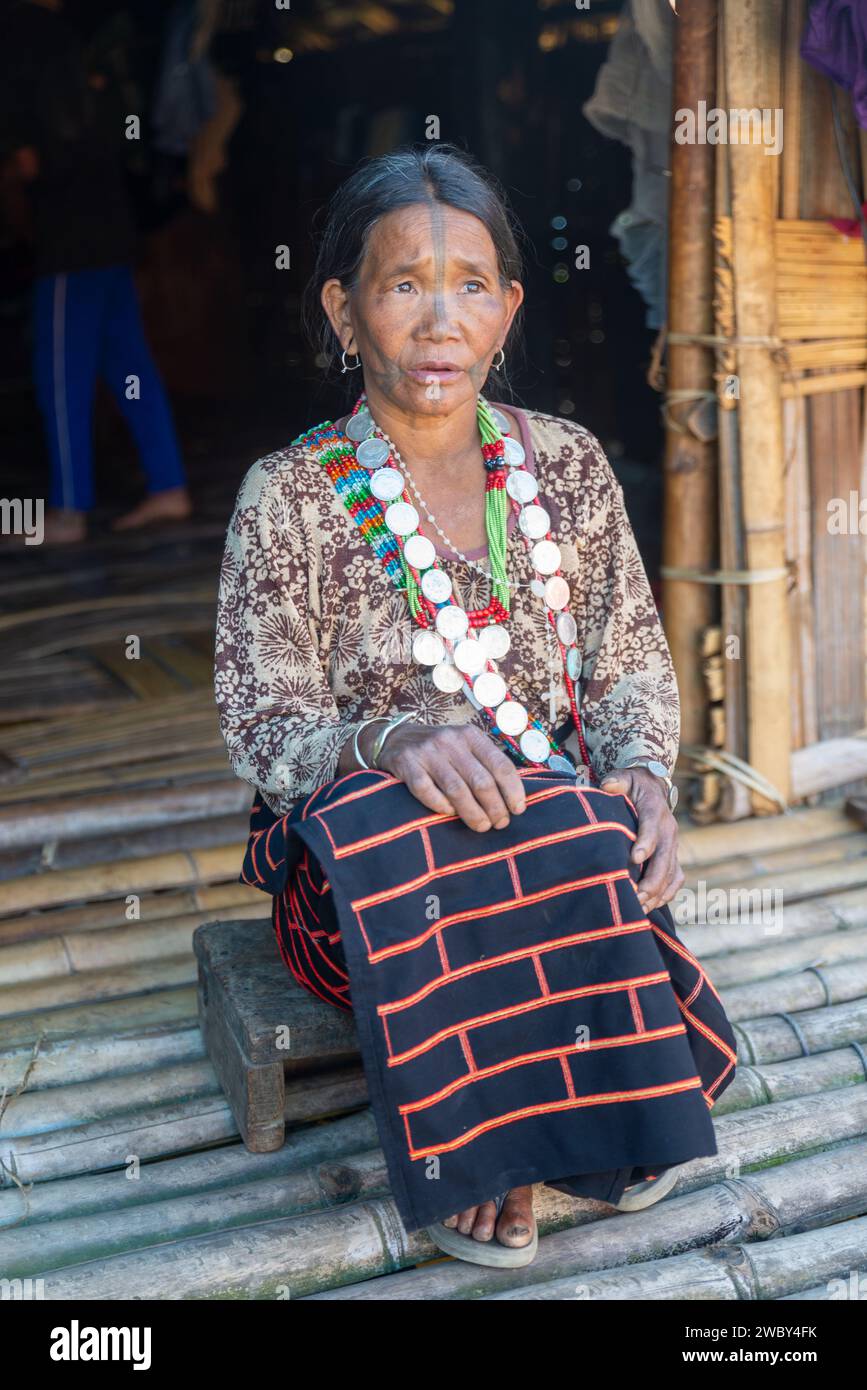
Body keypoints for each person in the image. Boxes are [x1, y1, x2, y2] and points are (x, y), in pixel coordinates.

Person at [214, 143, 737, 1268]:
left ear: (506, 309)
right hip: (375, 891)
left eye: (468, 286)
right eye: (402, 284)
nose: (437, 319)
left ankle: (530, 1137)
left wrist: (647, 771)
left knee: (580, 814)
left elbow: (632, 665)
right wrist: (393, 741)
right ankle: (535, 1137)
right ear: (345, 312)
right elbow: (263, 732)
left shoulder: (572, 465)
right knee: (434, 827)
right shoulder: (290, 496)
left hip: (555, 832)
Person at [0, 0, 192, 545]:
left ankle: (66, 511)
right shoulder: (94, 31)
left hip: (70, 236)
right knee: (129, 366)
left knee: (61, 376)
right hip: (109, 226)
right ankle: (168, 487)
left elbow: (37, 154)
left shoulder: (22, 35)